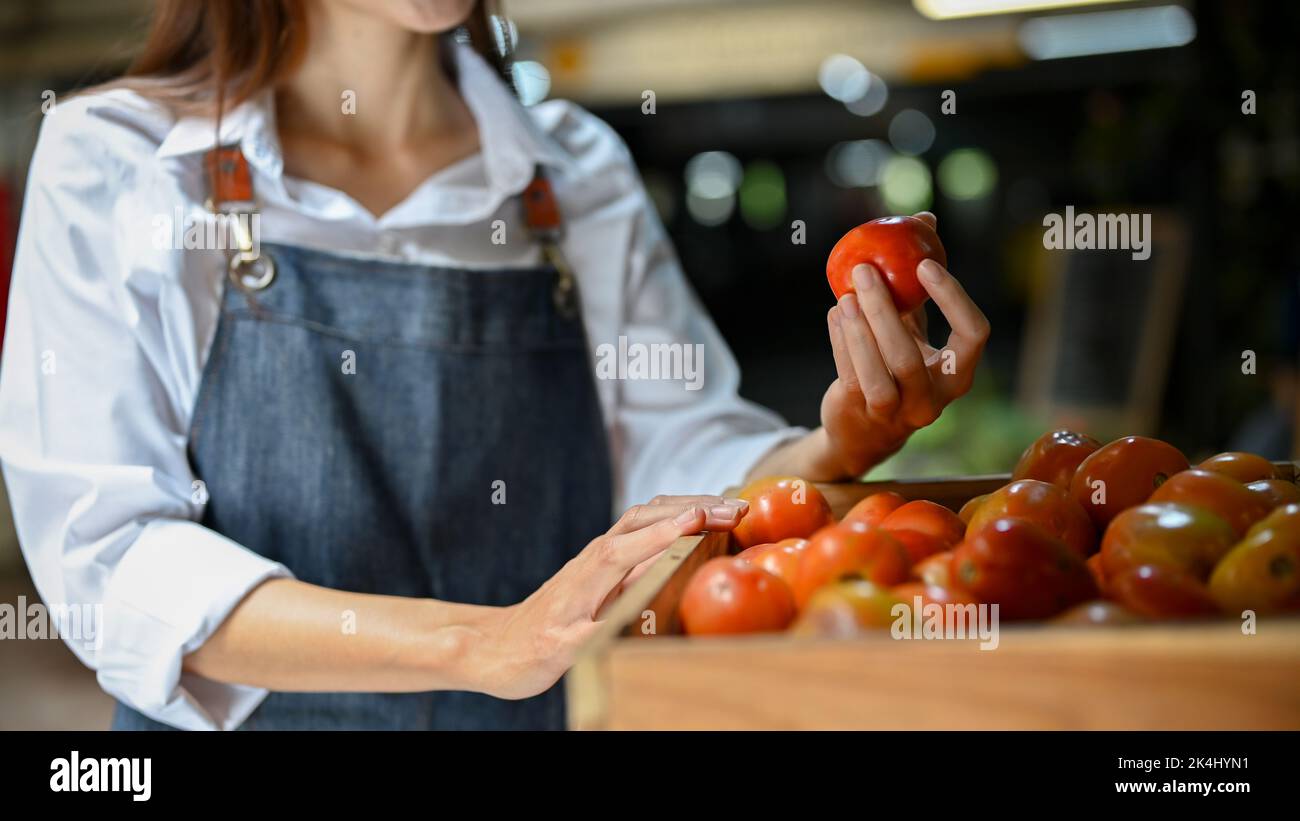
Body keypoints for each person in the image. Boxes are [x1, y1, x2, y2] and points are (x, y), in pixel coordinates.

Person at [0, 0, 989, 730]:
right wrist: (483, 642)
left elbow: (677, 458)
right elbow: (113, 558)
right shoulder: (122, 159)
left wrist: (836, 443)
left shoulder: (573, 171)